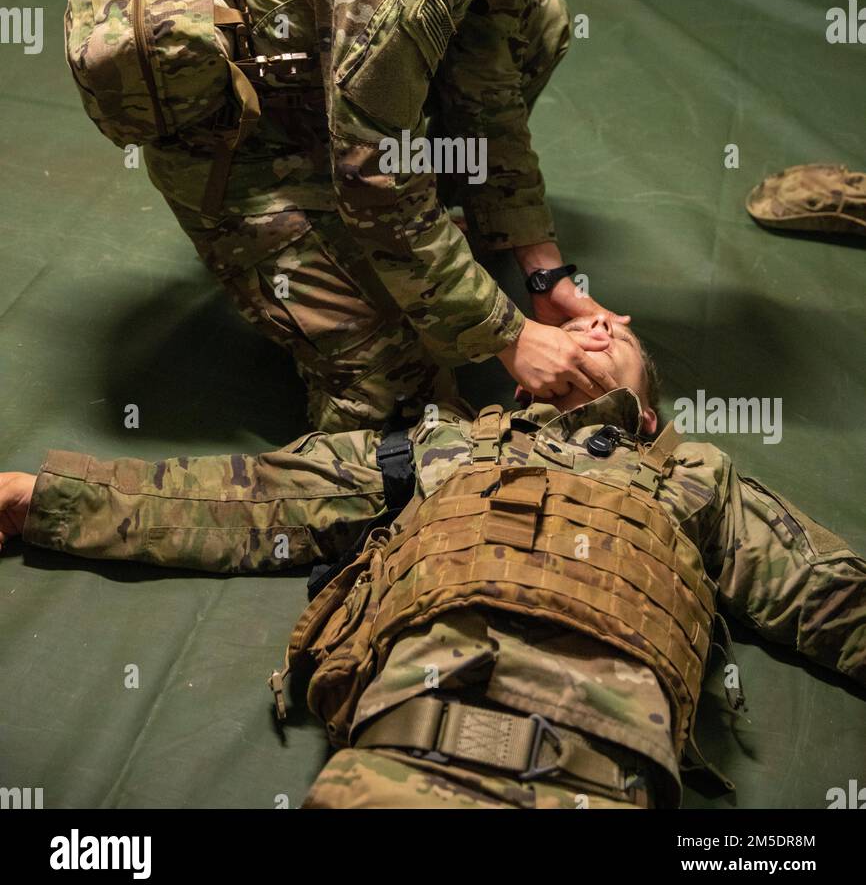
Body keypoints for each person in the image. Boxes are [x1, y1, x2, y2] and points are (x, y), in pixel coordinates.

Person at [2, 316, 862, 810]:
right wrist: (31, 499)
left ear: (648, 409)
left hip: (596, 778)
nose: (596, 322)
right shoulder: (440, 444)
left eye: (613, 330)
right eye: (576, 323)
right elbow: (248, 498)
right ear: (525, 375)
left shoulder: (692, 476)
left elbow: (827, 597)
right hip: (399, 762)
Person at [139, 0, 710, 432]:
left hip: (326, 103)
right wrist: (507, 336)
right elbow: (375, 178)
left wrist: (540, 269)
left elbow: (489, 85)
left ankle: (419, 247)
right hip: (240, 150)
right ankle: (314, 248)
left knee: (537, 21)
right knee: (395, 403)